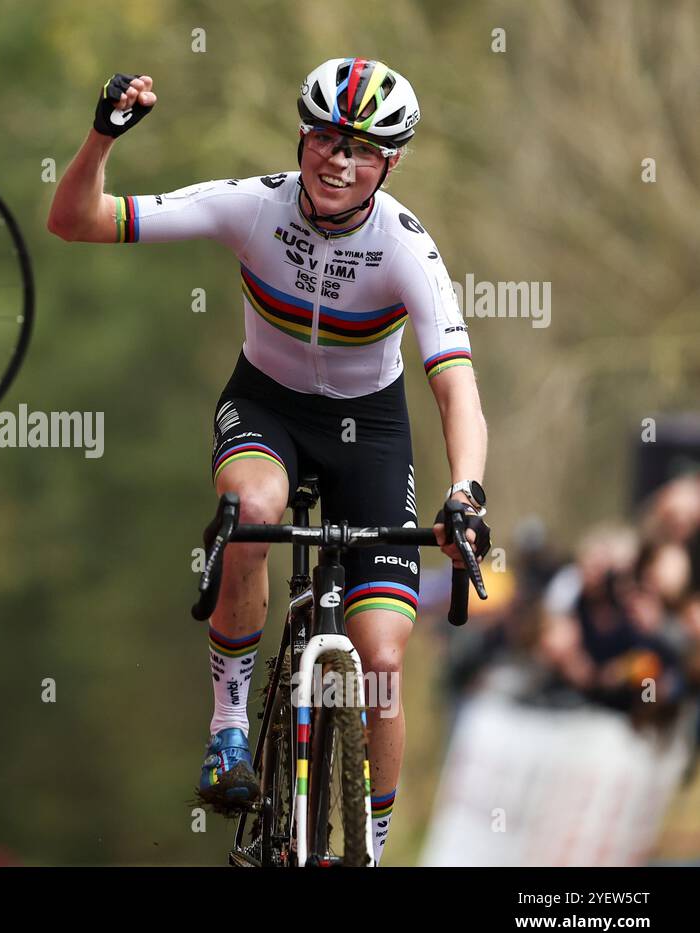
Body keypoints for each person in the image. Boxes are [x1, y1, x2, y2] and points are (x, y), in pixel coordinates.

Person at [48, 60, 491, 864]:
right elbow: (74, 221)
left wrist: (465, 491)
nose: (338, 160)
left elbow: (458, 391)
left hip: (373, 433)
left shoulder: (405, 247)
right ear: (301, 135)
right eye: (325, 136)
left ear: (390, 162)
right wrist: (101, 138)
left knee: (383, 657)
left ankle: (370, 848)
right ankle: (228, 728)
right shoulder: (251, 205)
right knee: (252, 514)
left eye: (362, 147)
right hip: (268, 408)